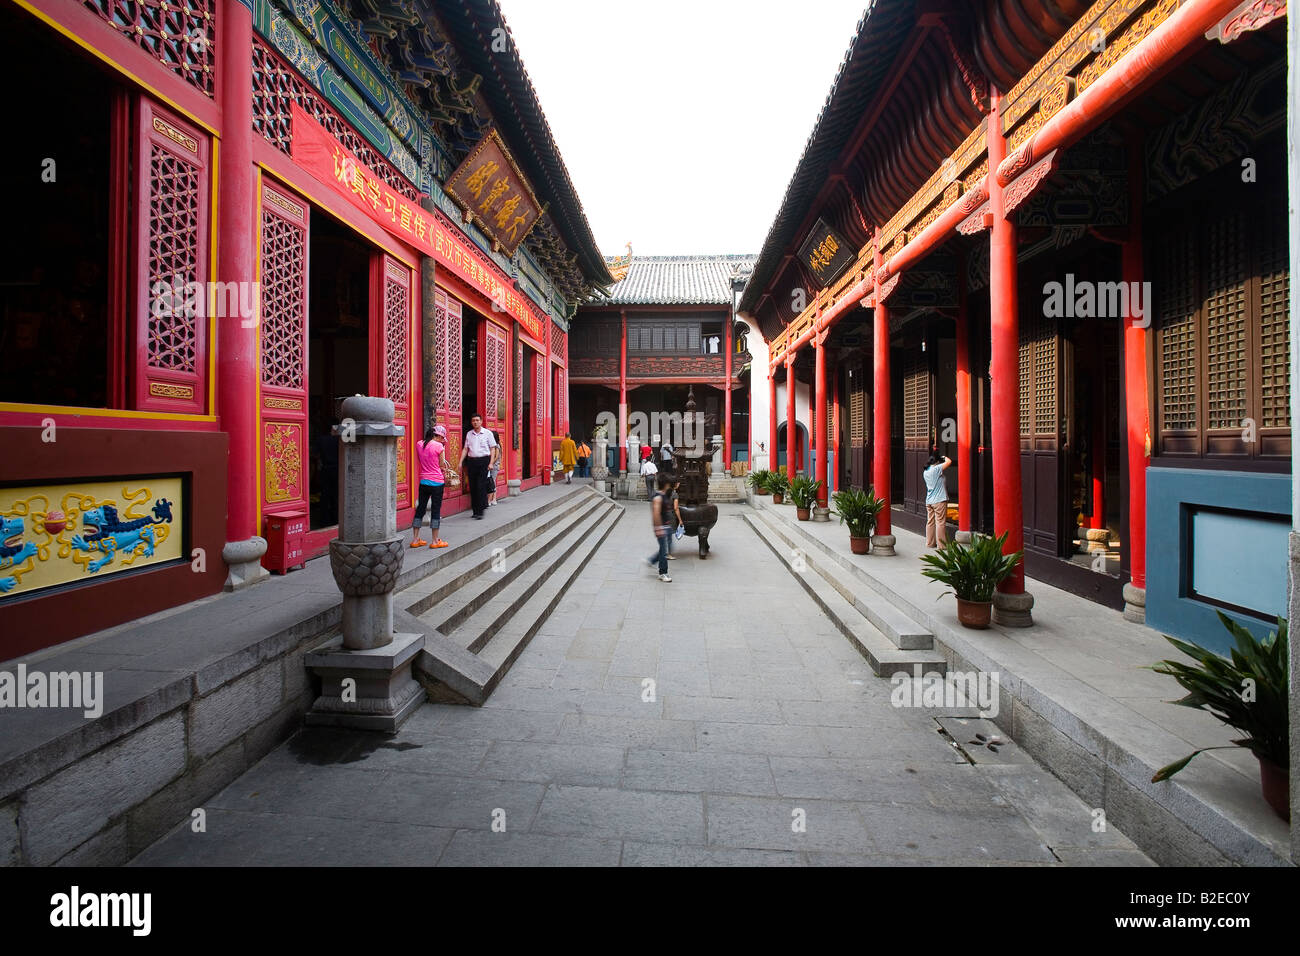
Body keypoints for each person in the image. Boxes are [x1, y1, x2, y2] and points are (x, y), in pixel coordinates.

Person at [411, 425, 451, 549]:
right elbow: (441, 465)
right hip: (437, 482)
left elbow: (421, 460)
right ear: (438, 435)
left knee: (420, 509)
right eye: (442, 437)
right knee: (435, 510)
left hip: (424, 481)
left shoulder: (419, 444)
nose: (442, 440)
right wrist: (444, 468)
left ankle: (415, 539)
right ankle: (434, 541)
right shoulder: (439, 446)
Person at [458, 414, 498, 519]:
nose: (475, 422)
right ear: (471, 422)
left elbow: (492, 448)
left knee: (480, 485)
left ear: (481, 421)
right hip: (472, 461)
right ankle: (475, 511)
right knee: (473, 486)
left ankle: (480, 511)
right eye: (473, 420)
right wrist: (460, 461)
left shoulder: (487, 433)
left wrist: (491, 463)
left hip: (483, 460)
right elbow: (465, 449)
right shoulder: (469, 434)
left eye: (477, 420)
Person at [646, 473, 672, 582]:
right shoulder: (658, 497)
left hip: (665, 526)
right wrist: (658, 528)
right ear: (665, 484)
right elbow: (656, 514)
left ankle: (652, 560)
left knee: (665, 549)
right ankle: (663, 572)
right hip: (661, 527)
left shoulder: (663, 495)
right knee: (664, 550)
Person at [923, 450, 953, 548]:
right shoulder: (936, 469)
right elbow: (949, 462)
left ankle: (930, 543)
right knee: (940, 522)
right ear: (937, 462)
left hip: (929, 500)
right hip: (939, 500)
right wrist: (944, 457)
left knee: (930, 521)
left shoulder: (926, 471)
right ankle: (942, 545)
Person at [664, 476, 683, 561]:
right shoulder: (675, 494)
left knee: (666, 535)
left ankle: (665, 551)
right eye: (678, 482)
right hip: (670, 515)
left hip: (664, 514)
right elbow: (676, 508)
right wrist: (680, 520)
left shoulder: (666, 492)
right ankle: (668, 554)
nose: (679, 484)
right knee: (669, 536)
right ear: (675, 484)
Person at [487, 429, 501, 505]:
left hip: (494, 466)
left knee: (492, 482)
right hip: (492, 465)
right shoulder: (493, 445)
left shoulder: (496, 446)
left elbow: (496, 456)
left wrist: (491, 463)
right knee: (492, 482)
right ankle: (493, 499)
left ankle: (491, 499)